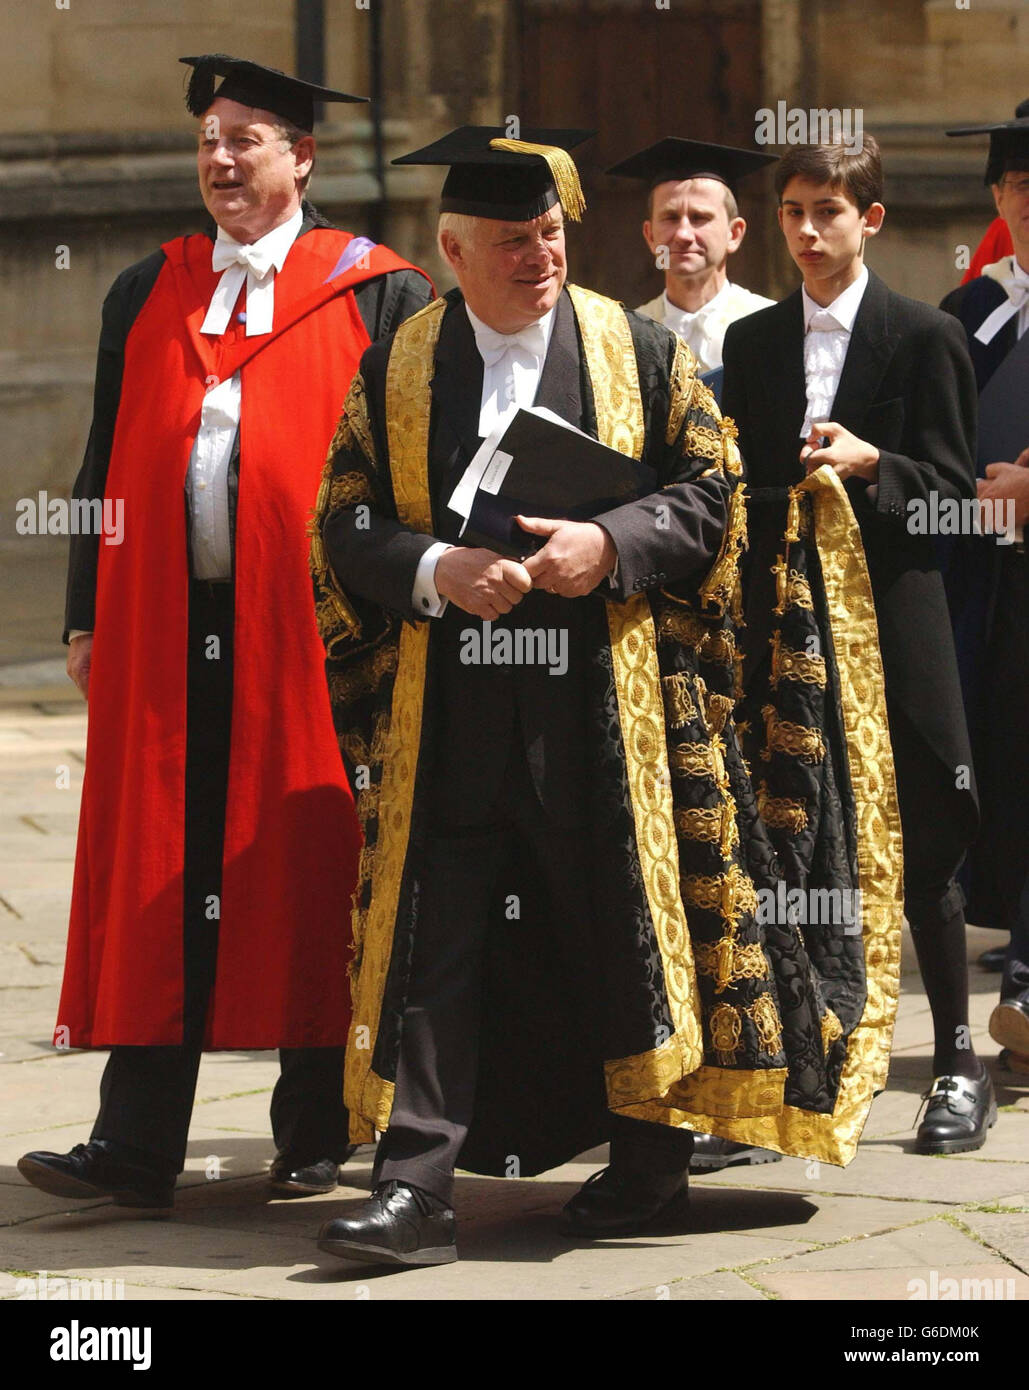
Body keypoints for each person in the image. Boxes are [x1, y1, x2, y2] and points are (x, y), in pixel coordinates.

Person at [309, 126, 902, 1269]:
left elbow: (708, 491)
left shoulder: (634, 349)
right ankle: (412, 1184)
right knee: (441, 932)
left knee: (619, 922)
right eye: (512, 241)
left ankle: (646, 1164)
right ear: (451, 249)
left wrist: (607, 540)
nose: (539, 257)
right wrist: (436, 570)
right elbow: (344, 519)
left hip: (606, 694)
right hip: (456, 701)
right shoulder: (402, 361)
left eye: (550, 235)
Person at [17, 55, 433, 1211]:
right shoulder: (148, 289)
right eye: (209, 138)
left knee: (308, 868)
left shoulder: (376, 292)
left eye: (247, 137)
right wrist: (85, 614)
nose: (221, 158)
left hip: (316, 640)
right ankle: (137, 1145)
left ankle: (313, 1133)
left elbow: (410, 481)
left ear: (302, 157)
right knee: (163, 868)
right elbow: (102, 460)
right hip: (167, 632)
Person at [723, 135, 996, 1155]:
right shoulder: (753, 347)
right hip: (785, 634)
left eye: (827, 212)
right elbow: (734, 491)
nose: (806, 232)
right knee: (784, 845)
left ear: (870, 220)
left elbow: (960, 502)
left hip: (894, 625)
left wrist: (874, 462)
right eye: (793, 211)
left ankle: (956, 1063)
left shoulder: (924, 336)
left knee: (923, 837)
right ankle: (784, 1075)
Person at [942, 105, 1029, 1074]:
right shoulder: (968, 315)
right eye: (1015, 184)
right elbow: (931, 454)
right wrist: (972, 500)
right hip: (991, 597)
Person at [607, 137, 776, 386]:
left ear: (734, 233)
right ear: (650, 235)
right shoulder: (626, 335)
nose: (683, 235)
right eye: (670, 217)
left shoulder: (770, 326)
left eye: (699, 217)